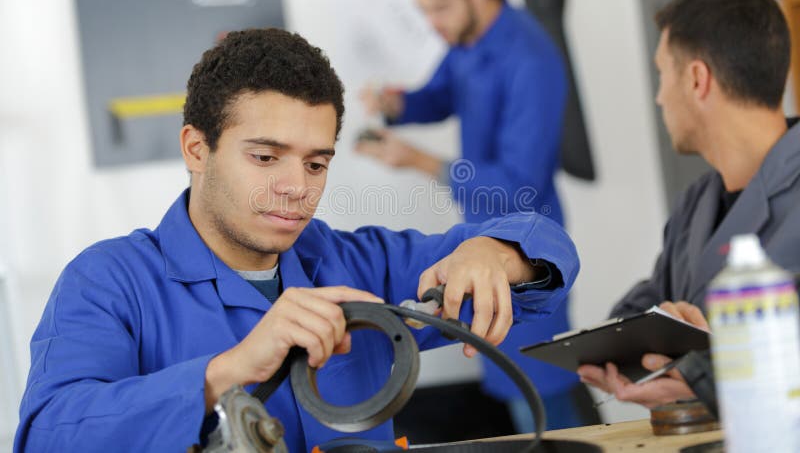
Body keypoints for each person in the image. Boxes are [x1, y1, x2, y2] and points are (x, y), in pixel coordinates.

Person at [14, 28, 580, 452]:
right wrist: (227, 371)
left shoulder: (361, 266)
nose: (295, 188)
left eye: (315, 164)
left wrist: (495, 252)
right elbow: (47, 435)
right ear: (196, 149)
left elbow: (544, 247)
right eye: (265, 157)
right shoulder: (110, 281)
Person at [356, 0, 595, 433]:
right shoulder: (465, 41)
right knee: (514, 393)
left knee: (544, 399)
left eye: (440, 7)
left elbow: (516, 186)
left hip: (527, 250)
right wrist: (397, 105)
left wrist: (419, 161)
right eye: (424, 10)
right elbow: (440, 94)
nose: (433, 23)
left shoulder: (530, 59)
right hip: (480, 240)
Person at [578, 0, 798, 408]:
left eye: (663, 74)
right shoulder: (696, 203)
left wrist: (718, 380)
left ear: (697, 79)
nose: (660, 96)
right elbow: (645, 306)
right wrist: (615, 350)